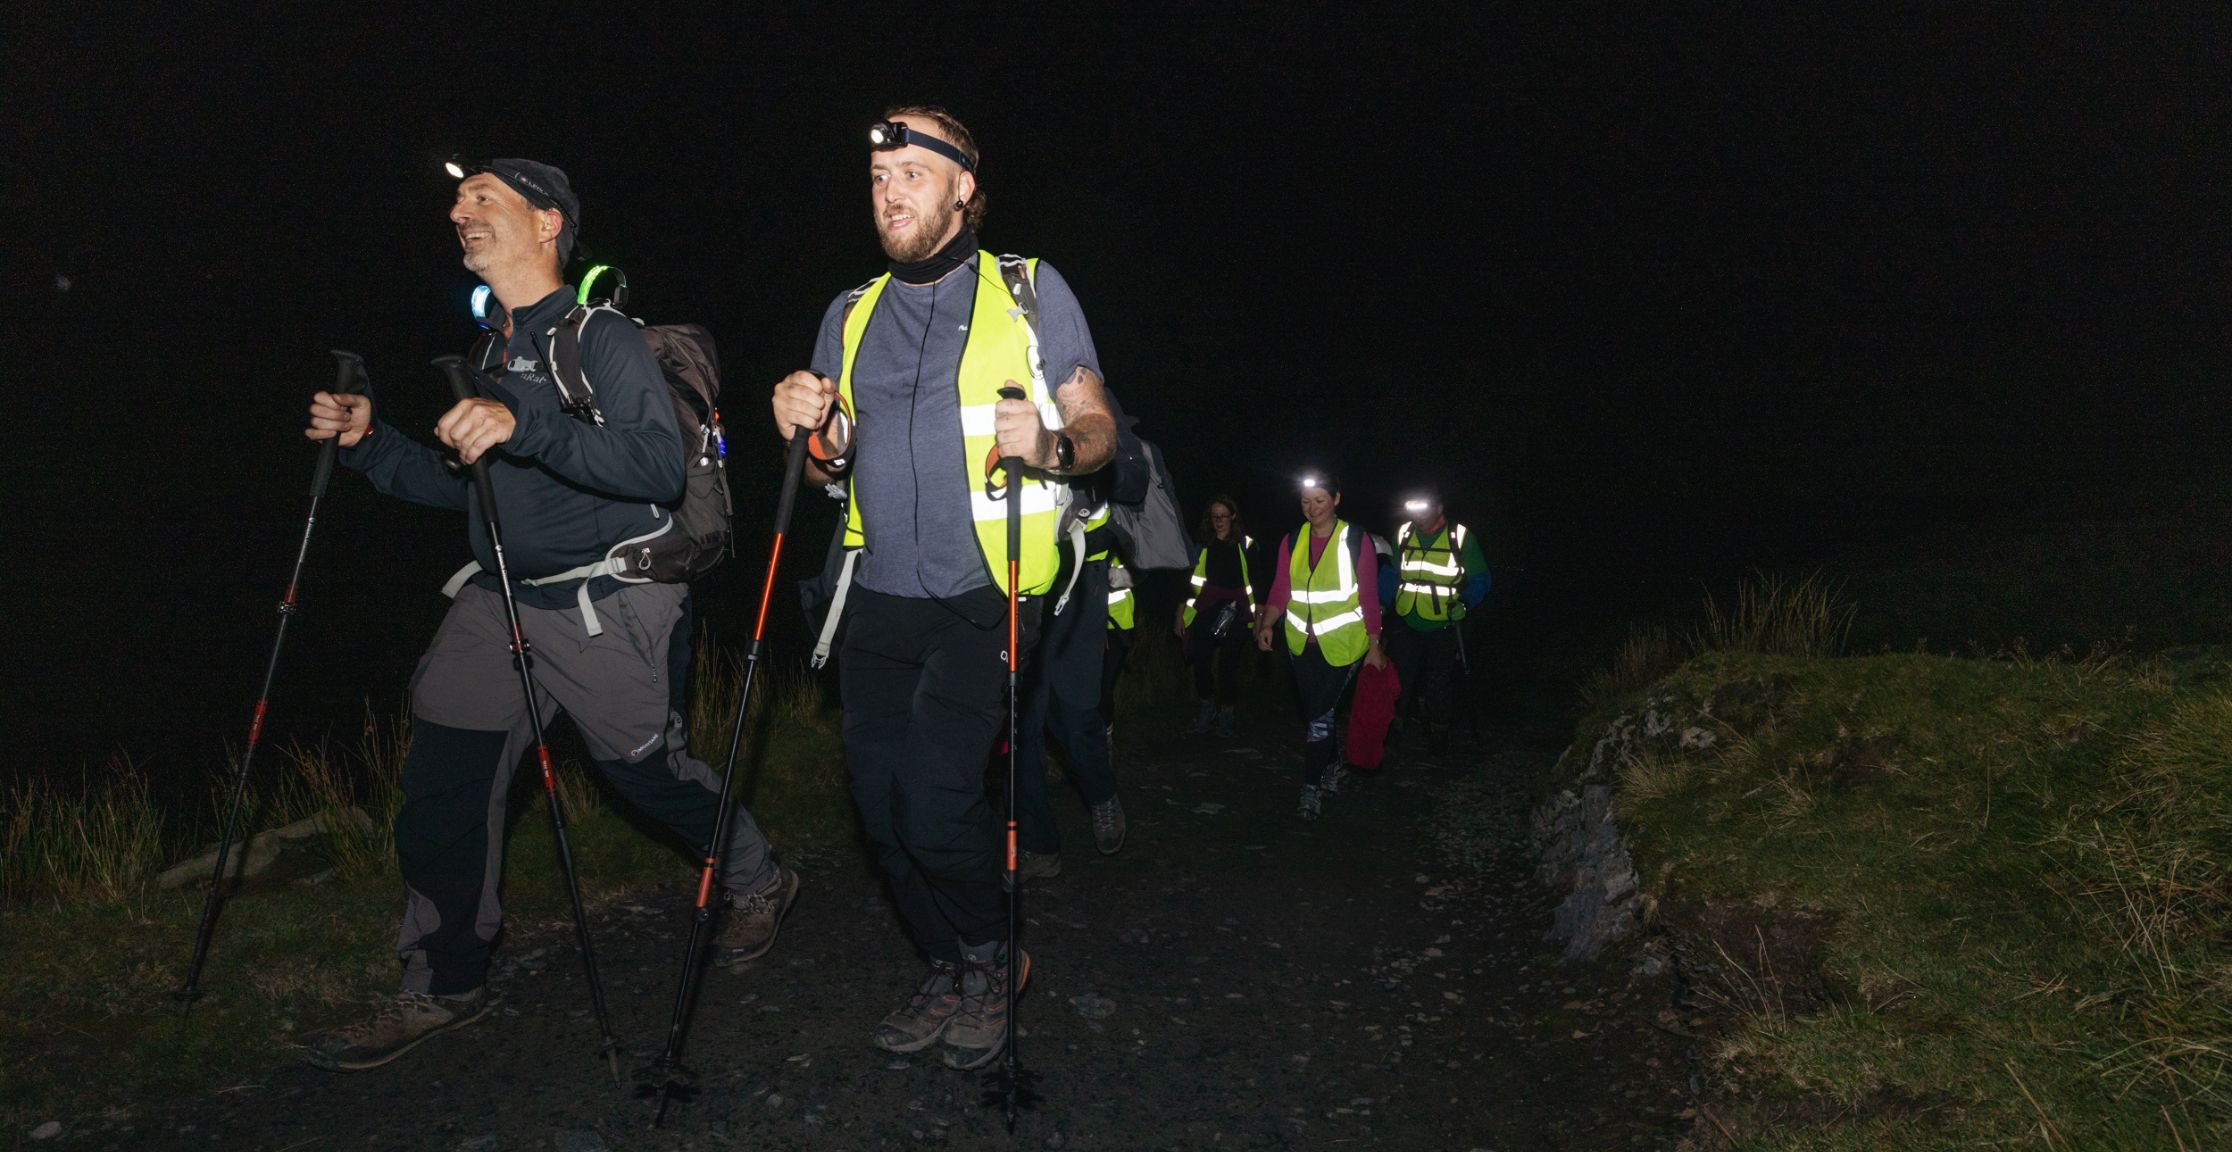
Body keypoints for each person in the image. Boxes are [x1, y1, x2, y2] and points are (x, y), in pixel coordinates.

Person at [296, 158, 796, 1071]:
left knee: (646, 777)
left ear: (547, 224)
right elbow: (472, 495)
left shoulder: (600, 336)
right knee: (443, 780)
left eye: (484, 198)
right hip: (499, 603)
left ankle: (758, 877)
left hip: (607, 603)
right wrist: (373, 445)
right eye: (457, 199)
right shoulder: (489, 350)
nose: (459, 210)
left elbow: (654, 470)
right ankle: (443, 984)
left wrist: (523, 426)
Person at [768, 107, 1118, 1071]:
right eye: (879, 178)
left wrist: (1050, 445)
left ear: (964, 186)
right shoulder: (850, 311)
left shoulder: (1030, 291)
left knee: (932, 795)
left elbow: (1097, 425)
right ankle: (950, 961)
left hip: (992, 589)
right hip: (875, 591)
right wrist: (811, 433)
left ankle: (993, 957)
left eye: (914, 173)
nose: (891, 192)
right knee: (878, 809)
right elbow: (828, 472)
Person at [1254, 474, 1387, 819]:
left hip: (1344, 645)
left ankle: (1310, 789)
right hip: (1300, 643)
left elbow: (1370, 594)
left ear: (1336, 499)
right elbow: (1281, 586)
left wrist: (1375, 643)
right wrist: (1267, 623)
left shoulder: (1356, 539)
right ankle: (1333, 762)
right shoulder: (1292, 539)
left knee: (1319, 717)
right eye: (1305, 501)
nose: (1312, 509)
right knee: (1317, 711)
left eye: (1320, 501)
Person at [1013, 502, 1130, 880]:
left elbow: (1117, 514)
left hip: (1077, 580)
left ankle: (1101, 794)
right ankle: (1039, 845)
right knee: (1019, 724)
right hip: (1016, 582)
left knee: (1074, 714)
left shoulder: (1079, 441)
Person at [1385, 491, 1489, 750]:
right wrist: (1381, 603)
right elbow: (1390, 572)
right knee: (1400, 676)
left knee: (1439, 679)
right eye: (1413, 507)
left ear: (1440, 507)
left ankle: (1439, 730)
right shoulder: (1404, 533)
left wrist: (1465, 602)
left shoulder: (1460, 536)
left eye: (1424, 507)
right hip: (1407, 619)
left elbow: (1482, 578)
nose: (1417, 514)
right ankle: (1393, 726)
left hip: (1443, 622)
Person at [1175, 496, 1255, 737]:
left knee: (1228, 664)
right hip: (1206, 609)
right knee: (1201, 661)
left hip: (1237, 609)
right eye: (1214, 516)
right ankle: (1206, 710)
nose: (1219, 521)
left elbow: (1258, 581)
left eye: (1223, 515)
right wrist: (1179, 613)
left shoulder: (1247, 544)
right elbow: (1187, 582)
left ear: (1233, 516)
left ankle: (1227, 716)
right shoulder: (1201, 544)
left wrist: (1260, 616)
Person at [1101, 553, 1138, 732]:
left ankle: (1106, 733)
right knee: (1093, 685)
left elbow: (1133, 577)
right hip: (1089, 628)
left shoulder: (1118, 551)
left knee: (1104, 684)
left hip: (1116, 628)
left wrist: (1101, 573)